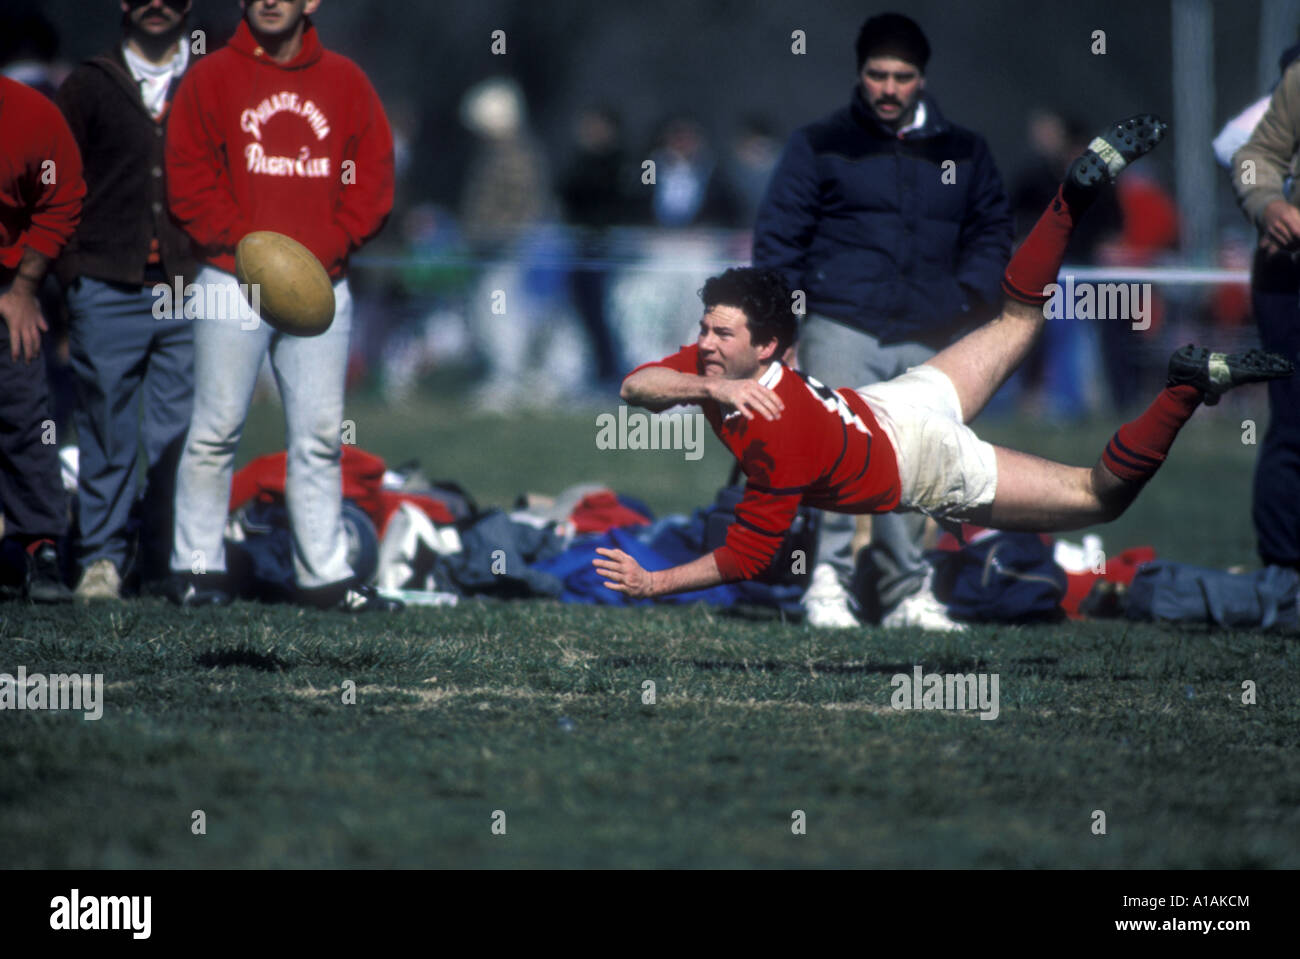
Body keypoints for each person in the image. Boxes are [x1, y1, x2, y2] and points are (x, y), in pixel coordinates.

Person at [595, 116, 1293, 604]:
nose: (707, 345)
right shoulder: (717, 364)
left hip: (920, 455)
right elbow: (636, 386)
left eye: (722, 336)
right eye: (706, 331)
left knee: (1097, 496)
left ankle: (1183, 386)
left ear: (770, 348)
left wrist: (651, 582)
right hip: (898, 402)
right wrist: (707, 390)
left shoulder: (781, 437)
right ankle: (1071, 196)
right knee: (1022, 314)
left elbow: (749, 556)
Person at [753, 12, 1013, 632]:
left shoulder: (965, 151)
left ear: (922, 77)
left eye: (902, 76)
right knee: (833, 459)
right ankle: (825, 584)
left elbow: (992, 234)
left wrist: (964, 301)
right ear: (860, 74)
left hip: (929, 333)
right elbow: (779, 240)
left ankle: (905, 596)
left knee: (917, 467)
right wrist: (782, 331)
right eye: (877, 74)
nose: (889, 88)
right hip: (840, 322)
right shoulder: (819, 143)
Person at [164, 0, 400, 611]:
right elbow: (187, 174)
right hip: (229, 277)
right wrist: (249, 248)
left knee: (320, 438)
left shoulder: (345, 81)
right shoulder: (211, 76)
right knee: (215, 430)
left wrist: (326, 246)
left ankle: (324, 576)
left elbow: (370, 175)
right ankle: (198, 570)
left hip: (323, 282)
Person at [55, 0, 198, 601]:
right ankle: (101, 560)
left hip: (186, 285)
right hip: (106, 281)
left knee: (182, 435)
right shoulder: (88, 84)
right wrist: (71, 276)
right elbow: (54, 179)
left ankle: (168, 562)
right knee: (107, 430)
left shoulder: (209, 79)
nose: (157, 3)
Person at [0, 75, 85, 602]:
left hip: (10, 286)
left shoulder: (32, 115)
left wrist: (25, 287)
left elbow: (62, 198)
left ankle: (41, 546)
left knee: (26, 413)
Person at [1231, 52, 1300, 577]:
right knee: (1295, 426)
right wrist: (1268, 205)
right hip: (1290, 280)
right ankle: (1284, 571)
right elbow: (1254, 157)